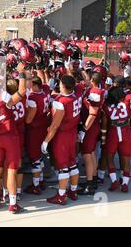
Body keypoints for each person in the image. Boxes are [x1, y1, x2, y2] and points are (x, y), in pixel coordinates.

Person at [0, 63, 28, 214]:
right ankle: (13, 203)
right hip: (10, 138)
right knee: (11, 171)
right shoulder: (3, 99)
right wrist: (21, 73)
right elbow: (21, 91)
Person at [41, 75, 82, 205]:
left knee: (63, 167)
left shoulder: (61, 102)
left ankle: (61, 195)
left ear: (63, 86)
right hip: (72, 133)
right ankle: (73, 191)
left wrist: (46, 141)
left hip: (63, 136)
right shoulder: (75, 96)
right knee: (73, 164)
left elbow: (54, 125)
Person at [101, 86, 131, 193]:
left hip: (113, 133)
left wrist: (103, 139)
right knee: (126, 159)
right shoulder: (127, 100)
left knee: (109, 158)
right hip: (125, 133)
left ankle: (114, 182)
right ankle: (125, 184)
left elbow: (104, 125)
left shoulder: (106, 106)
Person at [78, 72, 105, 195]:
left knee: (87, 155)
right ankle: (93, 180)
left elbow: (93, 114)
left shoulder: (95, 92)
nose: (85, 79)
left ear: (92, 79)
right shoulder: (94, 90)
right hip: (93, 126)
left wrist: (84, 129)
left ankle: (90, 185)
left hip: (90, 126)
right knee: (92, 153)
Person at [24, 76, 50, 195]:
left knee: (35, 158)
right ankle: (41, 180)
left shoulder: (33, 98)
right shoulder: (44, 92)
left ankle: (36, 186)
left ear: (35, 85)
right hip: (43, 127)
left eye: (30, 83)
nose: (28, 85)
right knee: (39, 157)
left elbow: (29, 120)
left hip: (34, 130)